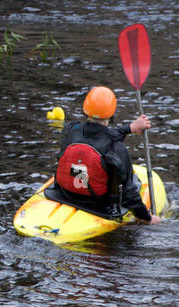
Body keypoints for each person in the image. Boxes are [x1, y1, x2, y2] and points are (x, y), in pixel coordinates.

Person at [44, 86, 161, 224]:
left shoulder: (69, 131)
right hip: (98, 206)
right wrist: (147, 218)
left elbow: (99, 135)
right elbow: (129, 194)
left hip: (62, 194)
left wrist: (129, 128)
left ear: (85, 110)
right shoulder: (117, 148)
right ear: (111, 116)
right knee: (134, 182)